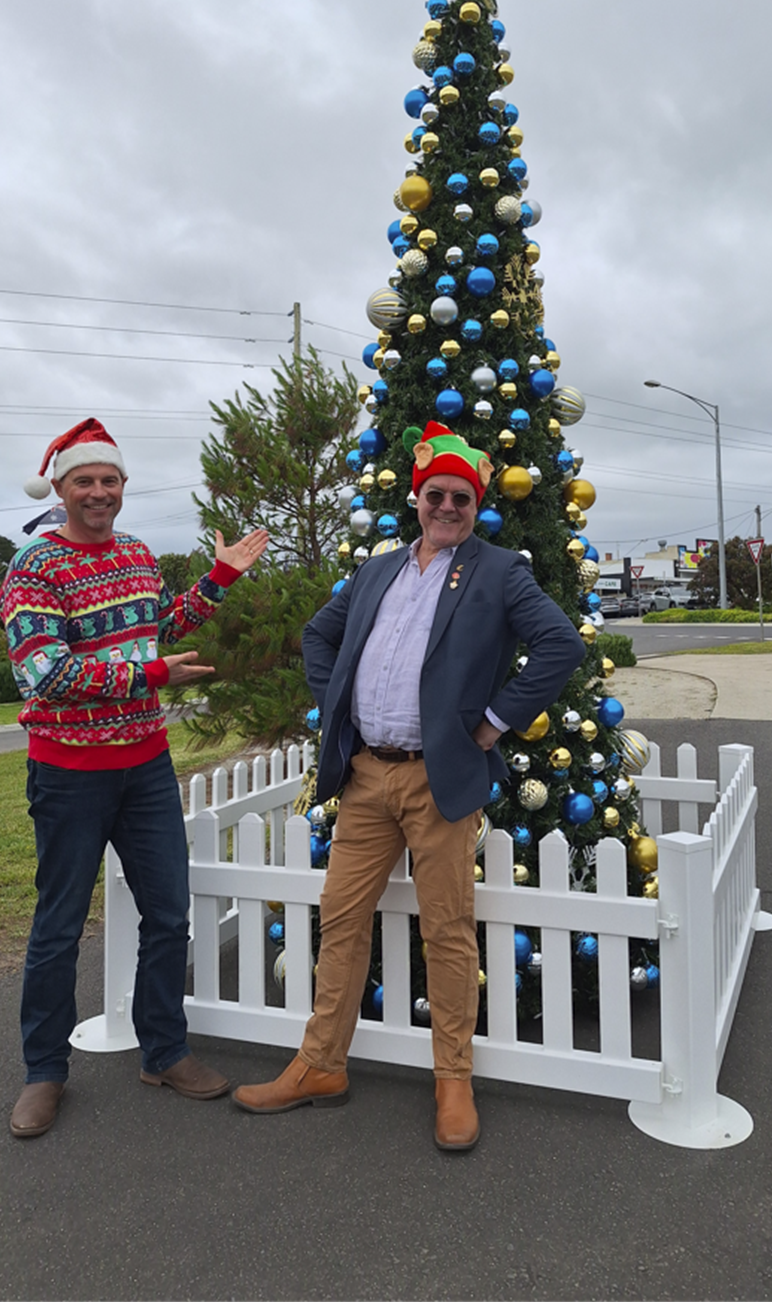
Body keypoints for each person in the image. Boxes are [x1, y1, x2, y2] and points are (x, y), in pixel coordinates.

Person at [232, 422, 585, 1150]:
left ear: (476, 502)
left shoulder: (498, 571)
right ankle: (321, 1062)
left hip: (439, 778)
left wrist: (490, 724)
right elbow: (317, 636)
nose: (446, 506)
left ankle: (453, 1078)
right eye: (435, 495)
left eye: (460, 496)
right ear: (417, 501)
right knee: (340, 919)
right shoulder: (377, 570)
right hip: (366, 776)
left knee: (449, 931)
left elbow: (561, 643)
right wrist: (339, 709)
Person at [0, 418, 268, 1139]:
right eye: (84, 481)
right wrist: (151, 675)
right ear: (59, 488)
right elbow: (47, 673)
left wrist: (219, 578)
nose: (98, 492)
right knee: (58, 927)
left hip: (144, 764)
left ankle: (164, 1050)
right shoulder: (33, 567)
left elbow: (162, 627)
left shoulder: (138, 555)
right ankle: (44, 1072)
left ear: (122, 487)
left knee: (170, 913)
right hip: (69, 772)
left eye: (109, 480)